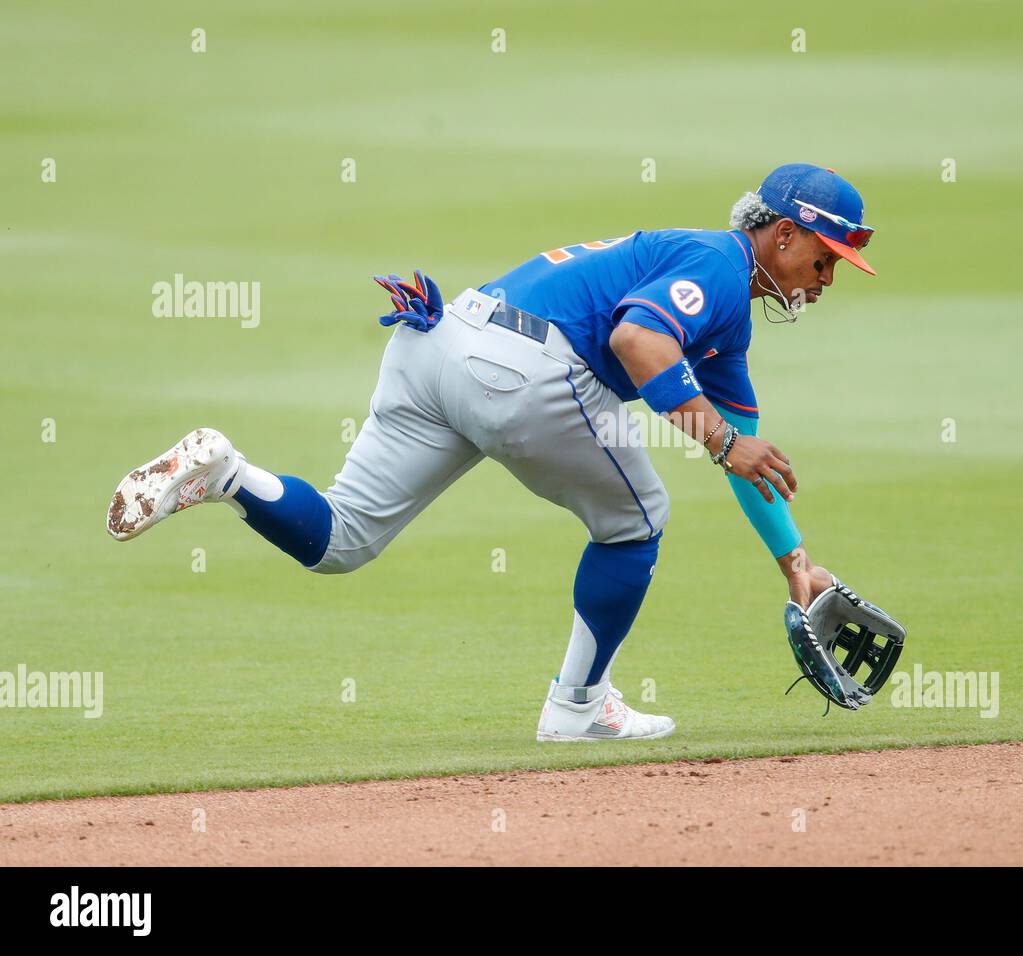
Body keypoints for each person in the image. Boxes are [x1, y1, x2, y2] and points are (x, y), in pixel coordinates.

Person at [106, 163, 877, 741]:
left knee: (340, 541)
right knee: (637, 520)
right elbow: (637, 341)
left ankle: (224, 471)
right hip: (522, 370)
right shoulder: (715, 263)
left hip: (437, 341)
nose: (828, 277)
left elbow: (750, 462)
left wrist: (795, 565)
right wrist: (723, 440)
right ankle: (577, 706)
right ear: (783, 233)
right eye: (827, 256)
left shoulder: (724, 310)